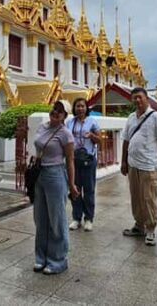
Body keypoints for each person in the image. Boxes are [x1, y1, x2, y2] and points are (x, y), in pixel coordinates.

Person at [32, 100, 80, 275]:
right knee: (40, 218)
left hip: (55, 174)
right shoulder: (42, 127)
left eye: (60, 111)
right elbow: (37, 148)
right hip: (39, 174)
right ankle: (41, 257)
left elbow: (70, 161)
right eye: (55, 109)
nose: (56, 112)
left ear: (64, 117)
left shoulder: (65, 134)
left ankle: (58, 260)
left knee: (56, 219)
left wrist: (72, 184)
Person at [120, 87, 157, 246]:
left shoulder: (156, 117)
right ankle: (139, 225)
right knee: (136, 198)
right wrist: (124, 161)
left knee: (148, 199)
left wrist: (150, 151)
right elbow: (126, 140)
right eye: (134, 98)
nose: (137, 100)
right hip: (133, 165)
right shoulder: (131, 118)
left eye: (140, 97)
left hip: (149, 165)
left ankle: (150, 229)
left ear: (147, 98)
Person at [65, 98, 101, 232]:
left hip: (88, 160)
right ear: (74, 109)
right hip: (73, 160)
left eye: (82, 106)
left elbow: (99, 141)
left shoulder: (92, 122)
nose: (80, 109)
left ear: (86, 108)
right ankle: (76, 218)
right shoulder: (69, 122)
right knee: (75, 189)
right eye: (77, 106)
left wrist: (91, 135)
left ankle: (88, 218)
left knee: (89, 190)